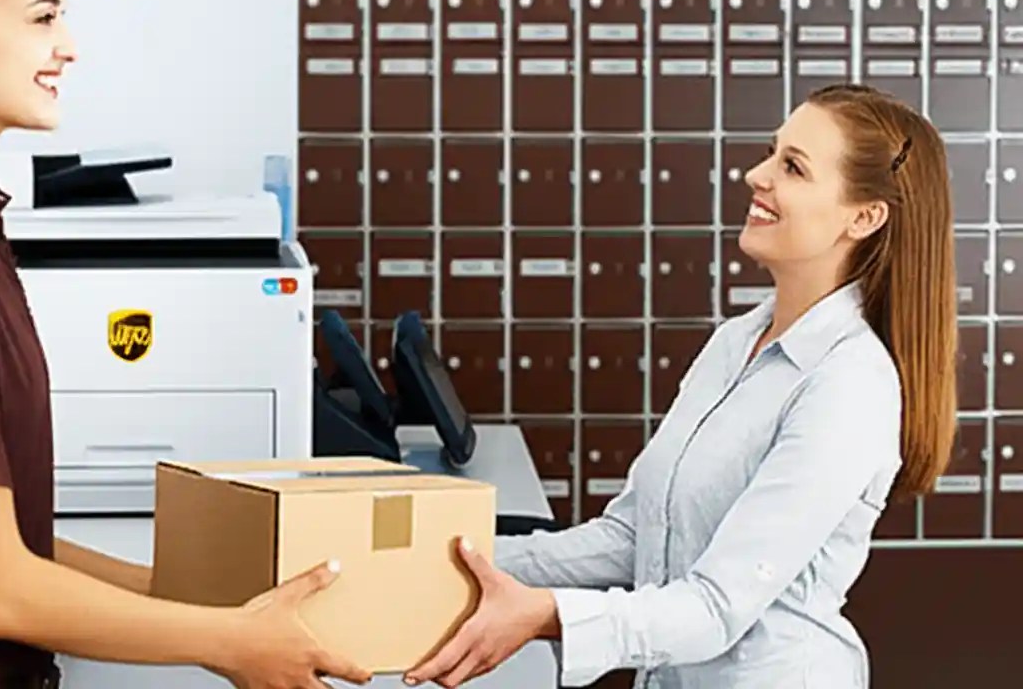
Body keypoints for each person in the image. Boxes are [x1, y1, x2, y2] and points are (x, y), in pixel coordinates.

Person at [0, 0, 372, 688]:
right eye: (42, 18)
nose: (68, 47)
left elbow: (9, 549)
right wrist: (227, 641)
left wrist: (212, 604)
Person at [402, 84, 957, 689]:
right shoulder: (734, 342)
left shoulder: (849, 386)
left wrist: (547, 615)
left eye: (792, 167)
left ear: (864, 216)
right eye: (771, 154)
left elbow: (717, 607)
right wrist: (459, 563)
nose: (756, 175)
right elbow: (635, 536)